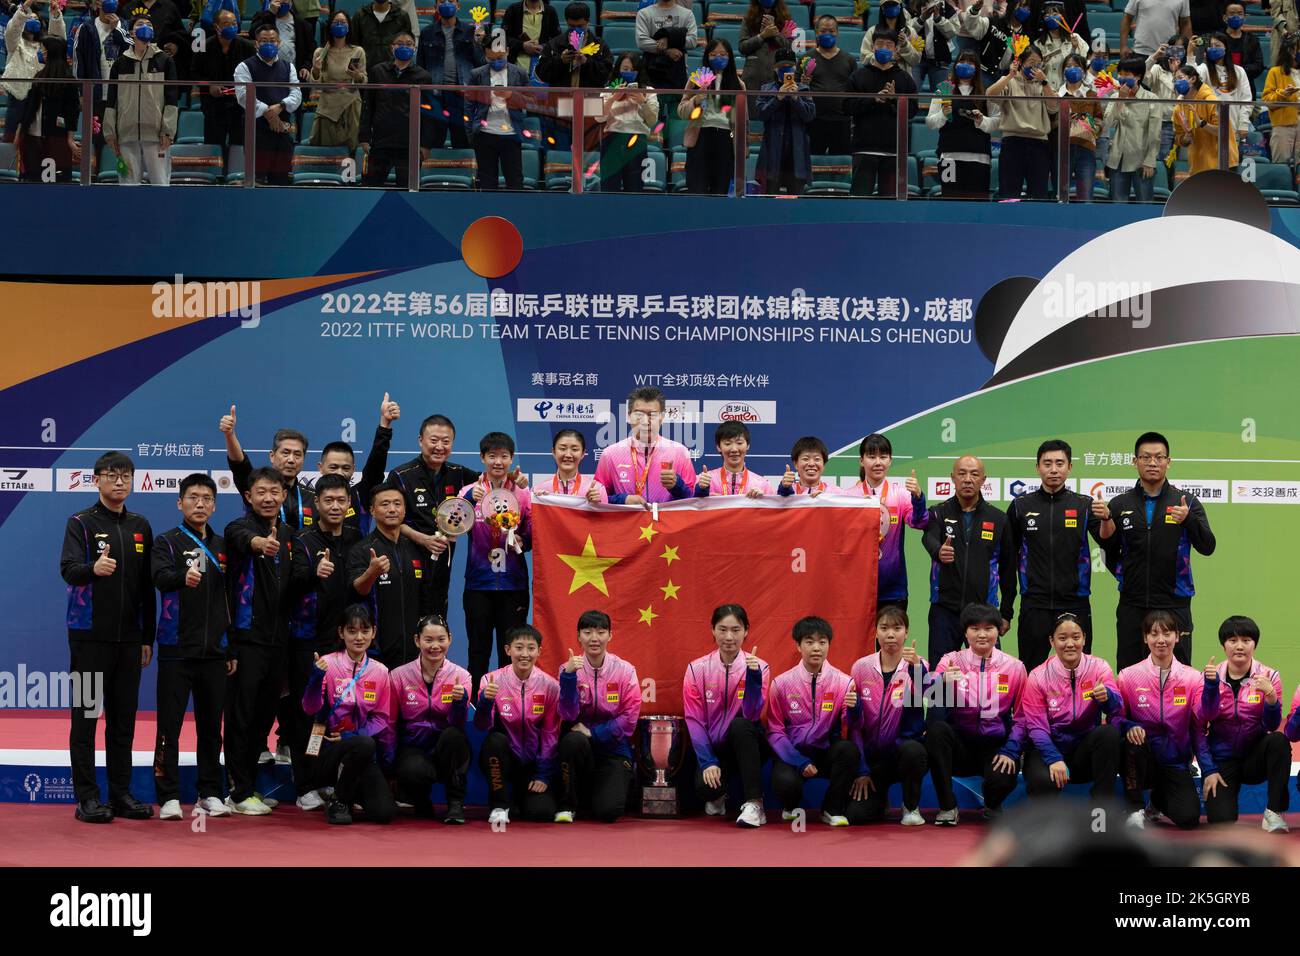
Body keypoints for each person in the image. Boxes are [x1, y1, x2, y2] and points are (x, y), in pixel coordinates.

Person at [60, 452, 155, 824]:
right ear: (96, 479)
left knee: (123, 721)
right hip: (89, 641)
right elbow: (68, 570)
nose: (119, 481)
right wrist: (93, 569)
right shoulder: (80, 523)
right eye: (112, 475)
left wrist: (147, 636)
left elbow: (148, 588)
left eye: (126, 475)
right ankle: (86, 797)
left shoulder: (140, 525)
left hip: (130, 642)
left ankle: (120, 793)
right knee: (85, 718)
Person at [151, 473, 233, 821]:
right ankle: (168, 795)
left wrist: (229, 648)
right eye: (193, 497)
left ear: (214, 505)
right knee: (169, 726)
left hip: (215, 653)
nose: (200, 504)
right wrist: (180, 579)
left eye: (206, 499)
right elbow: (158, 578)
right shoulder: (165, 543)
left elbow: (231, 600)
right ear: (179, 502)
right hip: (176, 650)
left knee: (211, 728)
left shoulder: (222, 545)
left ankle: (210, 791)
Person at [1101, 432, 1216, 669]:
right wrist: (1128, 576)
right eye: (1145, 457)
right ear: (1135, 461)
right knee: (1129, 674)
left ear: (1168, 461)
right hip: (1132, 604)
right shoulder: (1120, 504)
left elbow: (1208, 546)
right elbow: (1109, 551)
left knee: (1178, 674)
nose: (1152, 463)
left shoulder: (1187, 502)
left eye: (1159, 457)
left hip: (1175, 603)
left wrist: (1188, 521)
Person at [287, 472, 363, 809]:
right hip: (308, 642)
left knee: (339, 714)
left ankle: (331, 781)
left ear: (349, 505)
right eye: (328, 500)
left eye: (341, 500)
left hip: (345, 645)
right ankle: (306, 785)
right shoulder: (302, 541)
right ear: (316, 503)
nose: (335, 506)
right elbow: (287, 588)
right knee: (309, 717)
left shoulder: (356, 539)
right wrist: (311, 574)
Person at [222, 466, 293, 815]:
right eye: (261, 491)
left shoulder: (291, 535)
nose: (268, 497)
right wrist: (260, 544)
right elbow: (242, 540)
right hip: (246, 641)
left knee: (264, 718)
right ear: (248, 496)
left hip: (279, 643)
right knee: (241, 717)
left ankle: (249, 788)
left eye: (275, 491)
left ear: (283, 495)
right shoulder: (238, 528)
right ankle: (237, 793)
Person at [1006, 439, 1110, 672]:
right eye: (1048, 463)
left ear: (1069, 467)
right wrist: (1007, 609)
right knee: (1031, 671)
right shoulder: (1020, 506)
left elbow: (1106, 539)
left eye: (1060, 463)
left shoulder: (1084, 505)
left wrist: (1106, 518)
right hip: (1035, 603)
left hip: (1075, 601)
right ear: (1038, 467)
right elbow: (1007, 558)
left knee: (1081, 671)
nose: (1054, 469)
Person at [926, 602, 1026, 823]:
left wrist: (1011, 750)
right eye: (975, 628)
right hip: (959, 745)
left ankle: (992, 803)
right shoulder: (951, 660)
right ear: (965, 632)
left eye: (988, 628)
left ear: (998, 631)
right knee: (936, 731)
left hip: (994, 745)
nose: (982, 634)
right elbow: (926, 692)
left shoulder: (1015, 667)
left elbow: (1022, 717)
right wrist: (942, 681)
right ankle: (948, 807)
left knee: (1003, 777)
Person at [301, 604, 397, 825]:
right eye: (352, 631)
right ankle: (339, 800)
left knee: (384, 813)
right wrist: (315, 680)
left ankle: (349, 790)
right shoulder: (328, 663)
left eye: (365, 631)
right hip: (325, 749)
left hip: (360, 752)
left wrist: (353, 737)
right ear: (341, 632)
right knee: (364, 744)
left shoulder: (380, 671)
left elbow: (382, 718)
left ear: (373, 632)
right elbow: (309, 708)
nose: (359, 637)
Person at [1114, 610, 1209, 830]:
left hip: (1174, 762)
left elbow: (1199, 724)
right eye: (1154, 634)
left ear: (1177, 636)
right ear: (1145, 638)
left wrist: (1209, 769)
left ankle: (1156, 802)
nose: (1161, 640)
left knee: (1188, 818)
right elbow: (1116, 718)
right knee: (1132, 741)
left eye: (1167, 633)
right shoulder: (1128, 676)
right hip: (1140, 758)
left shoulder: (1193, 678)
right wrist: (1129, 726)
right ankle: (1135, 809)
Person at [920, 454, 1016, 668]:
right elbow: (929, 536)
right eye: (962, 474)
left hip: (984, 612)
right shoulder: (938, 513)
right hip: (944, 610)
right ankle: (941, 703)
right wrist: (938, 551)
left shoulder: (999, 519)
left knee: (989, 677)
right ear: (952, 478)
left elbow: (1009, 571)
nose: (967, 479)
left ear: (983, 479)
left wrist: (1006, 613)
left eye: (974, 474)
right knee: (940, 676)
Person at [682, 604, 772, 827]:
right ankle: (718, 795)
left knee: (741, 725)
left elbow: (752, 715)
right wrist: (708, 761)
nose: (729, 637)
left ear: (746, 631)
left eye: (736, 630)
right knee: (705, 789)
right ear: (712, 630)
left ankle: (755, 804)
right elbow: (694, 720)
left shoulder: (760, 667)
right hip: (714, 749)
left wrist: (753, 678)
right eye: (722, 630)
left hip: (746, 743)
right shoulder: (697, 669)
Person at [1020, 614, 1123, 805]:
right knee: (1041, 782)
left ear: (1084, 638)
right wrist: (1054, 758)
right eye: (1062, 638)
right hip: (1049, 751)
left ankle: (1101, 808)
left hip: (1083, 755)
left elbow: (1117, 709)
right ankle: (1047, 822)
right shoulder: (1038, 676)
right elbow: (1036, 728)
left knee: (1108, 734)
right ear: (1052, 641)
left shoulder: (1099, 668)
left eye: (1076, 637)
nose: (1070, 644)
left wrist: (1108, 697)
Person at [457, 432, 532, 692]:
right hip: (478, 585)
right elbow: (451, 525)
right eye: (492, 456)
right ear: (482, 458)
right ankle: (476, 711)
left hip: (513, 586)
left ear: (511, 459)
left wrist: (522, 541)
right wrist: (468, 501)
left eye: (503, 456)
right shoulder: (468, 491)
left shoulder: (523, 494)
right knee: (477, 653)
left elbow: (533, 536)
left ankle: (506, 710)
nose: (497, 462)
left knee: (509, 654)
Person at [768, 615, 859, 826]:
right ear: (798, 646)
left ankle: (831, 809)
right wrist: (799, 761)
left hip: (825, 751)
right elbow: (774, 731)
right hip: (793, 753)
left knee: (848, 751)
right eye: (809, 642)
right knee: (785, 783)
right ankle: (790, 807)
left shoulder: (844, 682)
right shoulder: (781, 684)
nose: (816, 648)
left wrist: (855, 710)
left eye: (822, 642)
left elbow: (851, 726)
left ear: (829, 645)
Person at [388, 413, 481, 616]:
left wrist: (514, 480)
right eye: (434, 440)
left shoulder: (458, 473)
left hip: (441, 565)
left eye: (446, 441)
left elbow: (490, 481)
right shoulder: (401, 476)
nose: (440, 446)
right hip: (407, 561)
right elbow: (391, 523)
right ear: (420, 441)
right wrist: (423, 540)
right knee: (408, 618)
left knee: (437, 619)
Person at [1201, 617, 1287, 832]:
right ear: (1223, 645)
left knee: (1278, 741)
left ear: (1254, 644)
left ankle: (1274, 813)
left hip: (1255, 757)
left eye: (1246, 640)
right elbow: (1203, 719)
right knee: (1221, 821)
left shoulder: (1270, 675)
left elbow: (1271, 724)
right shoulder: (1210, 675)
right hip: (1223, 761)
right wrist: (1209, 769)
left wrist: (1270, 697)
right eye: (1232, 640)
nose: (1239, 646)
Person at [845, 605, 929, 825]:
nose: (890, 634)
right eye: (884, 628)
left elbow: (930, 694)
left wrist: (917, 669)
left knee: (913, 750)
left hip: (901, 754)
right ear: (876, 632)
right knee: (856, 815)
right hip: (871, 760)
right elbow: (854, 725)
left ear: (907, 632)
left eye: (897, 628)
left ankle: (911, 807)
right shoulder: (861, 667)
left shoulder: (918, 666)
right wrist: (862, 770)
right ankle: (879, 801)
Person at [555, 610, 641, 823]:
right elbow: (567, 714)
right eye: (587, 632)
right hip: (580, 747)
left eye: (601, 632)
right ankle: (568, 805)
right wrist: (568, 677)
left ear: (610, 635)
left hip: (613, 749)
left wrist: (594, 733)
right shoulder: (569, 668)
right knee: (573, 740)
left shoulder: (625, 670)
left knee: (608, 811)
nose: (594, 638)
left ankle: (599, 793)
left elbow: (630, 718)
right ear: (578, 636)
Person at [389, 614, 474, 823]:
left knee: (455, 736)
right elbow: (390, 723)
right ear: (417, 640)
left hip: (444, 748)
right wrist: (388, 765)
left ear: (450, 639)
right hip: (413, 749)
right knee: (411, 768)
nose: (435, 646)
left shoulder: (462, 676)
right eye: (428, 640)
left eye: (441, 639)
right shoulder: (399, 676)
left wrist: (460, 702)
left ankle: (455, 804)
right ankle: (420, 801)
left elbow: (458, 722)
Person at [475, 625, 562, 827]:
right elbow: (481, 725)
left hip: (532, 765)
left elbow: (550, 733)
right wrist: (485, 701)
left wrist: (542, 774)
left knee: (542, 813)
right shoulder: (490, 680)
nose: (525, 654)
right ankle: (499, 805)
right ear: (508, 650)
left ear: (539, 651)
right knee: (495, 741)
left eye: (531, 648)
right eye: (519, 648)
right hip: (503, 760)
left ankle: (520, 799)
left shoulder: (550, 686)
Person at [348, 482, 439, 668]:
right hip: (376, 652)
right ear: (372, 511)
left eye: (397, 504)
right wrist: (371, 573)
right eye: (385, 504)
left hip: (414, 653)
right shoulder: (362, 549)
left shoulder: (415, 548)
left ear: (405, 510)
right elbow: (357, 590)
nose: (392, 509)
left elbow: (425, 597)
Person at [843, 433, 927, 613]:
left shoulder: (901, 495)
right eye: (871, 457)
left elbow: (919, 522)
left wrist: (918, 498)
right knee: (858, 642)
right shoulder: (848, 497)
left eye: (883, 456)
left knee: (890, 642)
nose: (877, 462)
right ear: (861, 461)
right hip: (857, 588)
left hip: (893, 590)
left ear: (890, 460)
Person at [103, 15, 177, 185]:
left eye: (149, 24)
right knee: (128, 186)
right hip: (126, 136)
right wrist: (110, 132)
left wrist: (167, 131)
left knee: (160, 185)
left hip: (157, 136)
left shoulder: (165, 61)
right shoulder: (120, 63)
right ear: (131, 32)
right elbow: (111, 100)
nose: (146, 27)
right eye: (141, 24)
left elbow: (172, 98)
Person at [312, 392, 398, 536]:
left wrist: (384, 426)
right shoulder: (307, 499)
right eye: (333, 467)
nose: (339, 472)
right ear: (320, 467)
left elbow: (375, 466)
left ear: (353, 470)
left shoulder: (361, 494)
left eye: (345, 468)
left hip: (358, 558)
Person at [594, 386, 697, 504]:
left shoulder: (679, 452)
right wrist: (624, 500)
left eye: (652, 415)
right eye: (639, 414)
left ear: (662, 417)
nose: (645, 421)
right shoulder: (610, 454)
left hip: (666, 522)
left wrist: (676, 485)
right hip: (626, 521)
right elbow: (598, 499)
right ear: (628, 416)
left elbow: (693, 499)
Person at [848, 29, 919, 196]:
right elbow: (848, 107)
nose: (884, 48)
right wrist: (873, 100)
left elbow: (912, 112)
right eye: (880, 44)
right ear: (872, 47)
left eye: (889, 45)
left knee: (890, 205)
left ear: (896, 49)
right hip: (864, 149)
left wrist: (894, 100)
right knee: (860, 201)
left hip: (894, 151)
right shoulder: (858, 76)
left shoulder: (905, 79)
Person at [219, 408, 315, 531]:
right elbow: (239, 465)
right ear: (272, 456)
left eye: (297, 454)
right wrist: (230, 435)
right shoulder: (255, 484)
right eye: (285, 453)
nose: (291, 459)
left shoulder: (312, 496)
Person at [360, 32, 435, 188]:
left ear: (414, 49)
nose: (404, 47)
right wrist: (365, 138)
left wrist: (426, 145)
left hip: (409, 144)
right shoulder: (377, 71)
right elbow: (368, 106)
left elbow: (429, 114)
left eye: (408, 44)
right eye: (399, 43)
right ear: (392, 48)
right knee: (371, 188)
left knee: (408, 191)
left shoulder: (423, 76)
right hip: (380, 142)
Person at [535, 2, 614, 151]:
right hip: (560, 106)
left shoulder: (600, 46)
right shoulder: (554, 45)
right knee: (561, 153)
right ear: (567, 23)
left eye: (580, 26)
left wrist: (586, 62)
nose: (576, 30)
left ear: (588, 22)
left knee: (589, 157)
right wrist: (560, 61)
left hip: (590, 107)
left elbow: (606, 76)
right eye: (572, 27)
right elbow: (542, 74)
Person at [232, 24, 300, 185]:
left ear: (279, 43)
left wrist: (280, 106)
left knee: (281, 181)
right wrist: (269, 114)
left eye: (272, 40)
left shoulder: (288, 66)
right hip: (256, 132)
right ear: (256, 44)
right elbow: (243, 96)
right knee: (257, 180)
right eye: (263, 41)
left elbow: (296, 95)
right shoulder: (244, 67)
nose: (268, 44)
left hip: (282, 131)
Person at [926, 49, 1000, 198]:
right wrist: (943, 114)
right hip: (949, 157)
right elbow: (930, 122)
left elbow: (996, 121)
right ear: (955, 64)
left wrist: (981, 120)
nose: (965, 65)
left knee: (978, 205)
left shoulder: (986, 91)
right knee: (950, 202)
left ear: (977, 68)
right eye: (961, 61)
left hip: (979, 158)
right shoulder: (944, 89)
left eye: (970, 62)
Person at [987, 43, 1057, 199]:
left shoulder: (1044, 84)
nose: (1035, 67)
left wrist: (1044, 82)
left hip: (1039, 143)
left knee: (1039, 193)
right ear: (1021, 63)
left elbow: (1054, 108)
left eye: (1038, 64)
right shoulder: (1009, 81)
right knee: (1009, 192)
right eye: (1031, 62)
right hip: (1013, 141)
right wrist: (1009, 76)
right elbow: (990, 95)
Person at [677, 38, 743, 195]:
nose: (718, 58)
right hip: (701, 137)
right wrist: (695, 99)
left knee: (719, 190)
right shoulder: (695, 80)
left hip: (726, 139)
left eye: (723, 54)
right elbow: (681, 111)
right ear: (707, 56)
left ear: (730, 57)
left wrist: (742, 147)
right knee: (697, 188)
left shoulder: (738, 84)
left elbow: (742, 120)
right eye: (713, 54)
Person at [417, 0, 486, 150]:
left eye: (451, 1)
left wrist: (479, 43)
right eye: (442, 1)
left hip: (463, 96)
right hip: (436, 96)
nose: (446, 4)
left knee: (463, 144)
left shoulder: (471, 31)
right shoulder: (427, 32)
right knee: (432, 144)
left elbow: (480, 64)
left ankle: (465, 174)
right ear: (435, 7)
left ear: (458, 6)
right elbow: (420, 67)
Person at [71, 0, 129, 168]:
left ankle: (120, 173)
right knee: (97, 138)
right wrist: (82, 92)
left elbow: (132, 49)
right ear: (98, 4)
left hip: (120, 94)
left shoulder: (125, 26)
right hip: (96, 93)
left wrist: (117, 28)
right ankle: (97, 174)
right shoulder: (87, 28)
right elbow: (78, 60)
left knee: (120, 136)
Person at [15, 36, 81, 182]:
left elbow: (72, 112)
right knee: (32, 180)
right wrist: (20, 132)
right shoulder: (39, 77)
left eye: (43, 50)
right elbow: (28, 108)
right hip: (32, 138)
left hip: (56, 137)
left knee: (57, 181)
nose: (41, 52)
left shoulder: (68, 81)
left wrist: (70, 138)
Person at [468, 36, 529, 190]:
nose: (496, 62)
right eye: (491, 58)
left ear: (507, 51)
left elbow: (531, 101)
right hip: (484, 134)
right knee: (487, 183)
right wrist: (471, 133)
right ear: (485, 55)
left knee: (515, 182)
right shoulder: (477, 74)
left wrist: (512, 96)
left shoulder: (520, 73)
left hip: (511, 134)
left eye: (500, 57)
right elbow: (468, 106)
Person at [195, 10, 254, 161]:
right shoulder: (204, 46)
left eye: (234, 23)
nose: (232, 27)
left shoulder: (247, 47)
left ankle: (237, 177)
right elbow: (195, 73)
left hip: (239, 108)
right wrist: (209, 85)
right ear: (216, 26)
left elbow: (254, 74)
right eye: (227, 24)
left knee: (239, 147)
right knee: (214, 147)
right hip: (213, 107)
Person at [4, 0, 66, 144]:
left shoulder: (44, 45)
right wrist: (24, 9)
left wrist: (55, 15)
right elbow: (12, 29)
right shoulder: (14, 43)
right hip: (18, 97)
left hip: (40, 99)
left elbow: (59, 41)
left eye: (36, 18)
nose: (33, 20)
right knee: (10, 139)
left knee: (33, 140)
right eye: (29, 18)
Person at [754, 50, 815, 194]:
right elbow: (760, 114)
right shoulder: (766, 89)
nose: (786, 69)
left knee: (795, 198)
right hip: (772, 152)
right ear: (775, 68)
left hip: (796, 152)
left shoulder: (804, 89)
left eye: (789, 65)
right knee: (770, 196)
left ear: (795, 68)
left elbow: (810, 116)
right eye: (782, 66)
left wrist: (796, 99)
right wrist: (777, 98)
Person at [1105, 55, 1163, 202]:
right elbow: (1108, 124)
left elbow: (1155, 133)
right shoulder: (1115, 96)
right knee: (1118, 203)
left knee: (1144, 203)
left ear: (1138, 77)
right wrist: (1120, 100)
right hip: (1117, 159)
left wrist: (1150, 161)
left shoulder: (1151, 99)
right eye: (1121, 74)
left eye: (1127, 74)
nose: (1122, 77)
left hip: (1141, 160)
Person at [598, 51, 658, 192]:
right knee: (609, 186)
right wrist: (613, 97)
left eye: (633, 70)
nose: (629, 72)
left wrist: (642, 101)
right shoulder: (607, 90)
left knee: (635, 187)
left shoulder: (649, 91)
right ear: (618, 69)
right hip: (612, 140)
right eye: (625, 69)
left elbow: (652, 120)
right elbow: (599, 117)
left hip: (637, 141)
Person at [309, 11, 366, 150]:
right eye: (336, 22)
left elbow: (364, 81)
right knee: (328, 153)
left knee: (352, 152)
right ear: (329, 26)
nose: (339, 25)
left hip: (351, 105)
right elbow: (315, 84)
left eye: (343, 22)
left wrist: (357, 76)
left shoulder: (358, 51)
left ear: (349, 27)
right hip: (327, 106)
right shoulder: (320, 52)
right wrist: (316, 69)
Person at [1171, 63, 1238, 172]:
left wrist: (1202, 123)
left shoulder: (1210, 100)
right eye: (1175, 80)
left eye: (1180, 78)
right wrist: (1185, 138)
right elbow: (1179, 137)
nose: (1177, 82)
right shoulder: (1178, 108)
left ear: (1192, 79)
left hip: (1221, 163)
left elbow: (1223, 131)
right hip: (1198, 164)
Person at [806, 15, 856, 154]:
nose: (827, 34)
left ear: (837, 32)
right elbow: (798, 87)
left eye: (831, 30)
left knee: (842, 165)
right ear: (816, 32)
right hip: (814, 120)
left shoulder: (849, 60)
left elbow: (854, 91)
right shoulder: (806, 58)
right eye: (823, 31)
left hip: (841, 121)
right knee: (813, 164)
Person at [635, 0, 698, 107]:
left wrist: (668, 40)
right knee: (652, 117)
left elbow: (692, 40)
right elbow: (641, 41)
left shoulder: (687, 14)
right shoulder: (644, 13)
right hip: (651, 72)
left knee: (676, 117)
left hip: (677, 71)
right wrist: (667, 51)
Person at [1195, 33, 1252, 149]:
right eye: (1211, 46)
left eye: (1217, 45)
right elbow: (1192, 76)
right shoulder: (1204, 69)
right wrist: (1191, 55)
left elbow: (1246, 100)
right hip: (1209, 127)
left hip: (1233, 126)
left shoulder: (1239, 71)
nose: (1213, 48)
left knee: (1231, 165)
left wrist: (1243, 124)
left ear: (1226, 48)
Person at [957, 0, 1031, 87]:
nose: (1025, 10)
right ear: (1012, 5)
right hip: (984, 73)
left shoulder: (1025, 35)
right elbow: (973, 26)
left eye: (1028, 8)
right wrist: (974, 10)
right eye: (1022, 6)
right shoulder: (994, 22)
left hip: (1006, 77)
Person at [1058, 51, 1101, 199]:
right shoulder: (1056, 95)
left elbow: (1099, 120)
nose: (1072, 69)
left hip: (1086, 149)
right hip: (1062, 150)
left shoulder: (1092, 95)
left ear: (1084, 71)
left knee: (1086, 198)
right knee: (1061, 197)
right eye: (1068, 66)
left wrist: (1091, 126)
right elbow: (1050, 121)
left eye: (1076, 66)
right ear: (1063, 70)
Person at [694, 421, 773, 499]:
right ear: (718, 447)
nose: (734, 449)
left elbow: (775, 509)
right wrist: (701, 492)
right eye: (728, 444)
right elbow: (689, 506)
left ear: (748, 445)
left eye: (739, 443)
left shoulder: (762, 485)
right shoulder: (704, 481)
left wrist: (763, 500)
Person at [533, 428, 608, 501]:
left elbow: (606, 514)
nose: (568, 455)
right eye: (562, 449)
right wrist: (538, 502)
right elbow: (527, 512)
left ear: (582, 454)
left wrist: (597, 505)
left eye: (574, 449)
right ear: (554, 452)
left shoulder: (596, 490)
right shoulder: (539, 490)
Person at [738, 0, 795, 91]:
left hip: (777, 79)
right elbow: (742, 47)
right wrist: (762, 36)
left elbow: (790, 48)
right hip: (753, 78)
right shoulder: (748, 19)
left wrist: (775, 34)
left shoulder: (786, 20)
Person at [1263, 35, 1300, 165]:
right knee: (1282, 165)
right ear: (1290, 51)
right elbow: (1267, 101)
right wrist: (1283, 94)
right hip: (1283, 126)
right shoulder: (1275, 72)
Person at [352, 0, 414, 75]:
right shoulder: (360, 15)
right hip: (366, 72)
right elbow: (354, 47)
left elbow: (407, 46)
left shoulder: (402, 16)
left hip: (393, 73)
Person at [1035, 0, 1088, 88]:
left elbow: (1083, 65)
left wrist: (1074, 48)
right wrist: (1041, 63)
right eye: (1047, 15)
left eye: (1055, 14)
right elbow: (1035, 72)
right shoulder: (1038, 44)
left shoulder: (1075, 38)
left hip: (1069, 91)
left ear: (1063, 16)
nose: (1051, 17)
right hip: (1048, 92)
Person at [912, 0, 961, 92]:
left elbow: (953, 33)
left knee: (941, 99)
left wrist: (938, 18)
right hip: (916, 59)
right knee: (910, 94)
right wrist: (921, 19)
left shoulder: (947, 8)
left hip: (940, 61)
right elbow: (907, 31)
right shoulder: (913, 6)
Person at [502, 0, 560, 77]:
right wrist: (522, 45)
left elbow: (557, 40)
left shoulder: (550, 11)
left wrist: (545, 48)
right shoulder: (513, 9)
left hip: (541, 69)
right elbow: (503, 38)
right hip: (516, 68)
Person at [861, 0, 921, 71]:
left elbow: (916, 61)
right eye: (887, 5)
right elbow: (864, 58)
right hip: (878, 76)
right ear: (882, 8)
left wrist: (905, 45)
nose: (891, 7)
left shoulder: (910, 32)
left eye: (894, 4)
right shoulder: (872, 31)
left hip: (902, 76)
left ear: (900, 7)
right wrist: (888, 57)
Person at [1119, 0, 1190, 58]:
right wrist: (1123, 46)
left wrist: (1188, 50)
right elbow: (1127, 18)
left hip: (1170, 52)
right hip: (1141, 51)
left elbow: (1185, 23)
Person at [775, 435, 841, 497]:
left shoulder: (836, 494)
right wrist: (784, 490)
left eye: (817, 459)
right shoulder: (785, 490)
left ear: (823, 464)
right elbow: (779, 503)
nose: (811, 464)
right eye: (805, 459)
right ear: (796, 464)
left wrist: (826, 501)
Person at [1221, 2, 1263, 85]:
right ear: (1225, 17)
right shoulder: (1218, 39)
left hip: (1246, 83)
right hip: (1222, 84)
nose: (1236, 17)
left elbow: (1258, 66)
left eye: (1240, 14)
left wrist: (1239, 72)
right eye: (1232, 13)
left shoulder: (1252, 40)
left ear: (1245, 17)